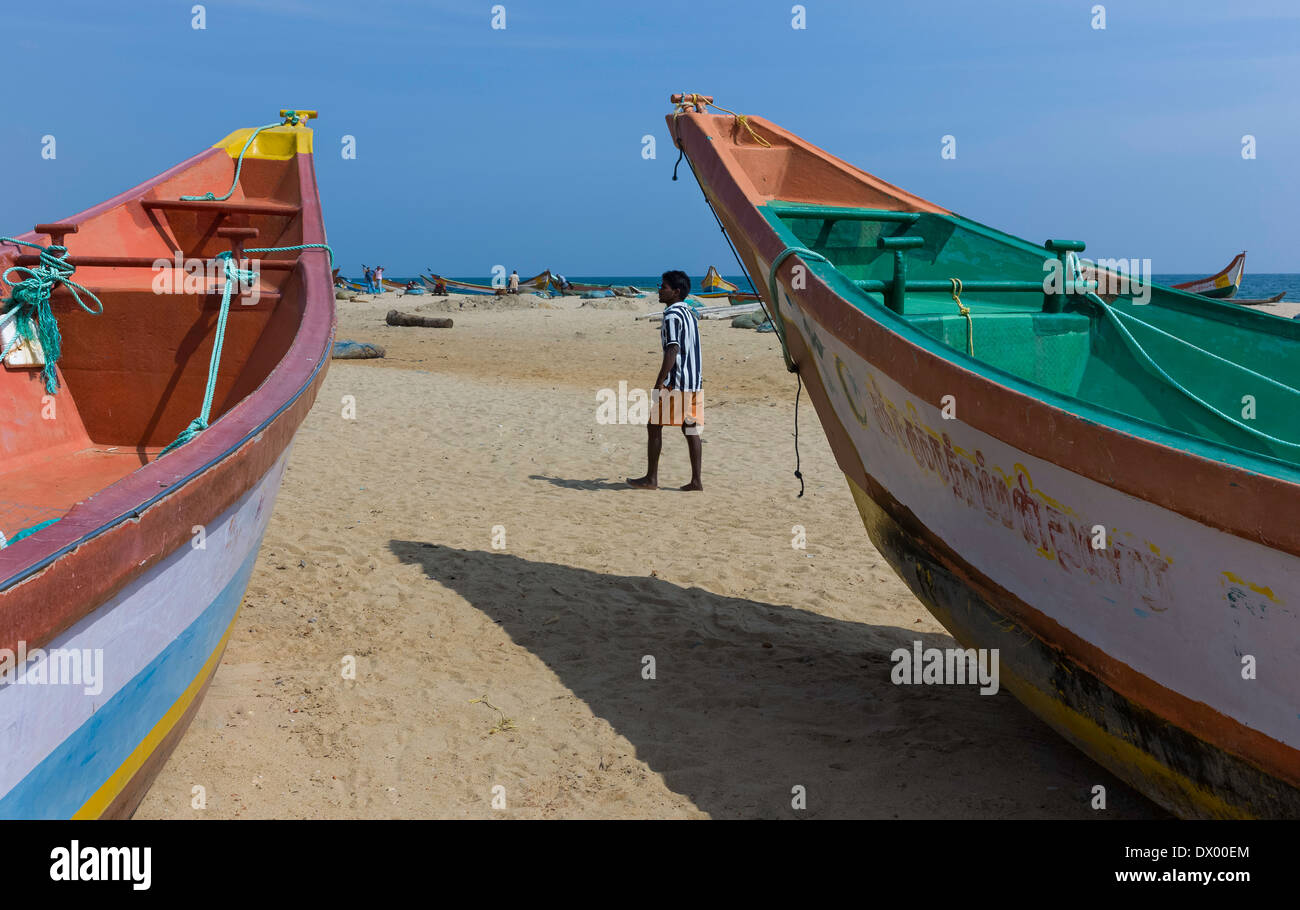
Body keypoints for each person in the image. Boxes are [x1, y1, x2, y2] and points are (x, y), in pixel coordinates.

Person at [628, 270, 702, 491]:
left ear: (676, 292)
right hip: (693, 380)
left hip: (676, 381)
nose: (659, 290)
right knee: (690, 428)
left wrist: (659, 381)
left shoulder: (671, 315)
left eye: (664, 287)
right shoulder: (690, 314)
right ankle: (696, 481)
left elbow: (672, 349)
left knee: (653, 425)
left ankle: (651, 479)